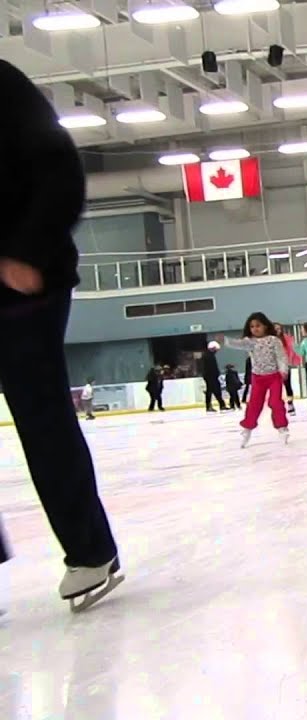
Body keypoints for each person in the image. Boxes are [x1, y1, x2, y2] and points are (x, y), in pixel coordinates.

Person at [0, 59, 123, 612]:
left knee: (40, 413)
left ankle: (90, 551)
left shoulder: (2, 87)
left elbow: (60, 173)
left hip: (25, 285)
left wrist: (25, 252)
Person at [218, 313, 290, 447]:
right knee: (254, 405)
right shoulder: (250, 341)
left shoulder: (274, 340)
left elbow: (281, 356)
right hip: (257, 378)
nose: (255, 329)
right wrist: (226, 340)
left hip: (274, 376)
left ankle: (282, 428)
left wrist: (283, 370)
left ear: (265, 326)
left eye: (258, 326)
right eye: (252, 326)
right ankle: (247, 429)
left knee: (275, 402)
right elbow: (237, 344)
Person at [274, 323, 302, 415]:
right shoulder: (269, 339)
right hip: (273, 367)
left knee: (287, 385)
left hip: (285, 366)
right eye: (275, 329)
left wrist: (290, 361)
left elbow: (292, 350)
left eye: (279, 328)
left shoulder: (286, 338)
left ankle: (290, 404)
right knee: (275, 388)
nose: (278, 330)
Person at [202, 340, 228, 413]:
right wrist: (216, 374)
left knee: (213, 391)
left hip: (210, 376)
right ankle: (217, 405)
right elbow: (212, 367)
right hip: (211, 376)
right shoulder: (209, 356)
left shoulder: (208, 355)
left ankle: (220, 405)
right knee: (212, 391)